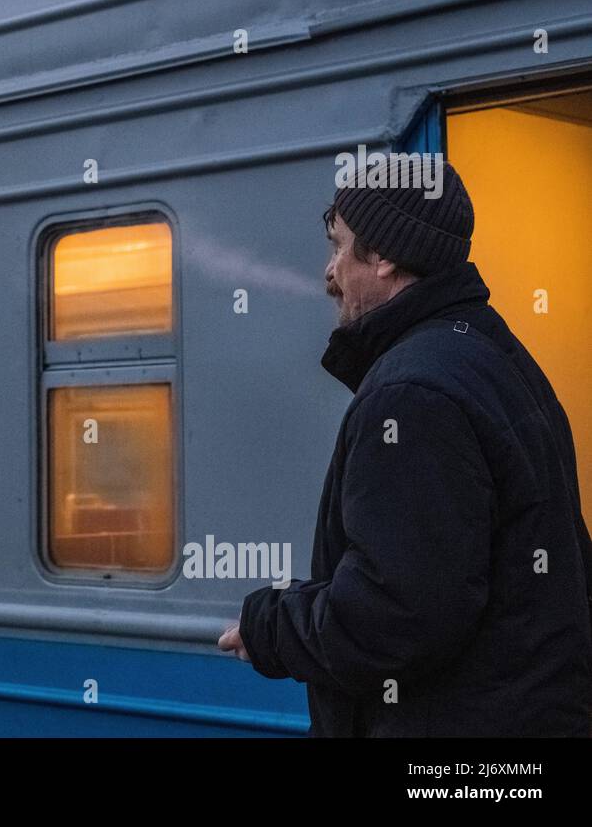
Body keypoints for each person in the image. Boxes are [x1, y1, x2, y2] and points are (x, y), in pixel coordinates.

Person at [218, 160, 592, 736]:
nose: (329, 272)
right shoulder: (495, 356)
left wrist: (270, 625)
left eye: (339, 247)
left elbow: (395, 615)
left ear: (386, 256)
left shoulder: (411, 393)